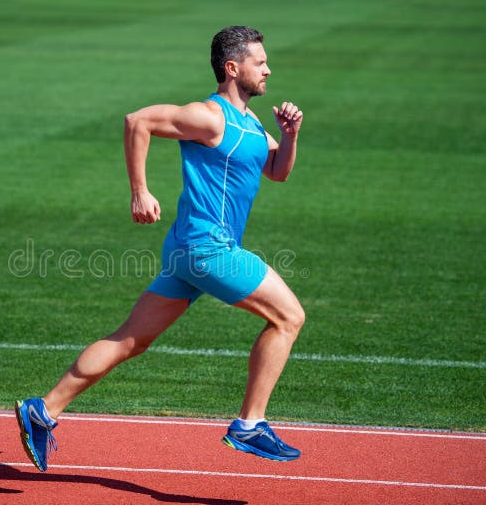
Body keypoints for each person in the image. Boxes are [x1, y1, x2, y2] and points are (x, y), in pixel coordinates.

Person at [16, 25, 305, 472]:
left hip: (189, 251)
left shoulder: (250, 123)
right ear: (233, 68)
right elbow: (138, 120)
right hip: (208, 248)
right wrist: (140, 191)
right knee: (289, 318)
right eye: (260, 61)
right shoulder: (210, 118)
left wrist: (290, 134)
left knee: (130, 339)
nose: (269, 68)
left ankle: (44, 409)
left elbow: (277, 172)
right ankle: (250, 424)